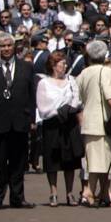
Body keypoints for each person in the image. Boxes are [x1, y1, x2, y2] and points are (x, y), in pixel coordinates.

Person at [0, 33, 38, 209]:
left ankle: (17, 197)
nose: (6, 49)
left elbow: (31, 95)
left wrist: (32, 118)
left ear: (15, 47)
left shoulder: (26, 67)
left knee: (19, 162)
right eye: (3, 46)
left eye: (9, 45)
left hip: (20, 120)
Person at [35, 51, 84, 206]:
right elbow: (43, 108)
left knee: (70, 160)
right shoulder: (44, 83)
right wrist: (58, 110)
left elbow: (77, 99)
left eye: (65, 63)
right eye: (62, 63)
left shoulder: (71, 80)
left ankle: (69, 193)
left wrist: (69, 108)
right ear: (53, 65)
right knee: (52, 159)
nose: (65, 66)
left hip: (69, 122)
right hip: (52, 124)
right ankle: (53, 193)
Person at [75, 40, 111, 208]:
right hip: (104, 122)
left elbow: (78, 98)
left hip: (88, 121)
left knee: (97, 161)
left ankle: (103, 193)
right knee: (103, 162)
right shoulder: (107, 72)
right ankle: (89, 191)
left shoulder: (83, 73)